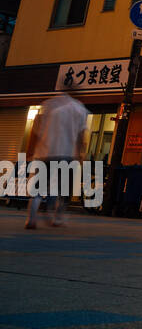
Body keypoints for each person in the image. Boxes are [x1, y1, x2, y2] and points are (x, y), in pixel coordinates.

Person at [25, 90, 90, 229]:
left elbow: (35, 131)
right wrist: (80, 155)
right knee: (64, 190)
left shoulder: (48, 104)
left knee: (37, 189)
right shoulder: (79, 108)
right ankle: (58, 219)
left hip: (45, 154)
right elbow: (80, 135)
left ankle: (31, 219)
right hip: (67, 155)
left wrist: (30, 151)